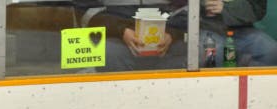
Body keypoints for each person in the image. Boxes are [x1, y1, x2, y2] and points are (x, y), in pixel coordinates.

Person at [89, 0, 277, 71]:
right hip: (204, 27)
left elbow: (257, 8)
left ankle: (248, 100)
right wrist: (122, 30)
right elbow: (88, 12)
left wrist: (227, 8)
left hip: (239, 29)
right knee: (213, 52)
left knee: (269, 50)